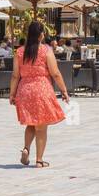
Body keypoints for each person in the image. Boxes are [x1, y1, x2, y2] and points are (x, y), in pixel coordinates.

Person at [9, 20, 70, 168]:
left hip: (24, 90)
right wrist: (64, 90)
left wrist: (12, 94)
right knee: (41, 127)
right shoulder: (46, 50)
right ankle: (39, 160)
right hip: (41, 90)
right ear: (41, 35)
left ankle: (26, 148)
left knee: (31, 123)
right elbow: (55, 73)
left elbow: (15, 75)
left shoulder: (20, 52)